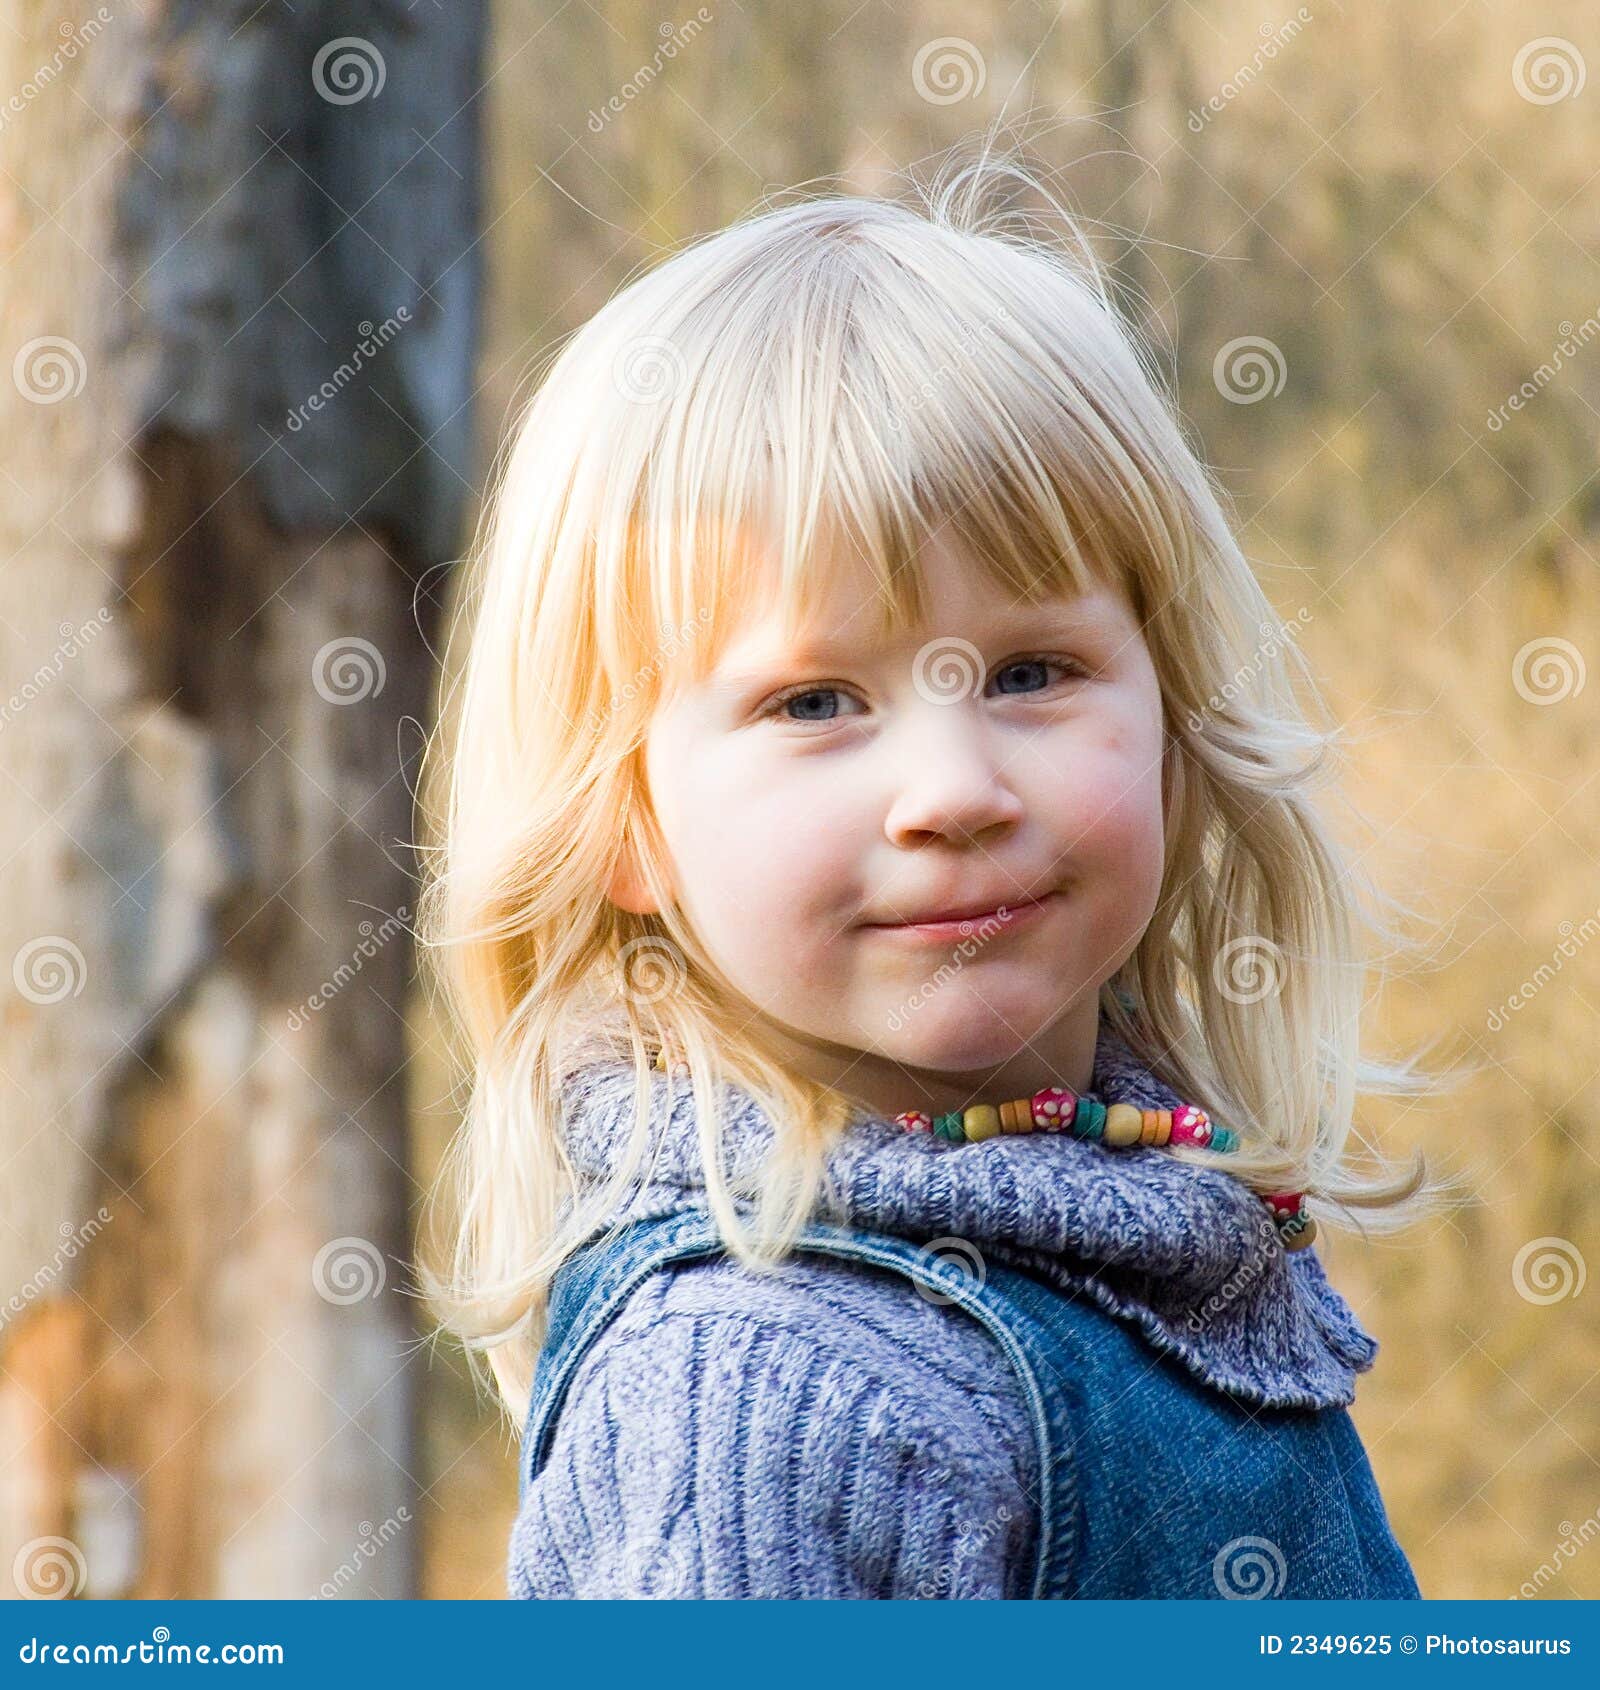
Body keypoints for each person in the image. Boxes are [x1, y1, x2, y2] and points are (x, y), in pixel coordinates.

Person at [416, 147, 1455, 1599]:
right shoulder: (755, 1396)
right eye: (815, 703)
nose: (955, 791)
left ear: (1171, 713)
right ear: (626, 819)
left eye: (1033, 670)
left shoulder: (1135, 1204)